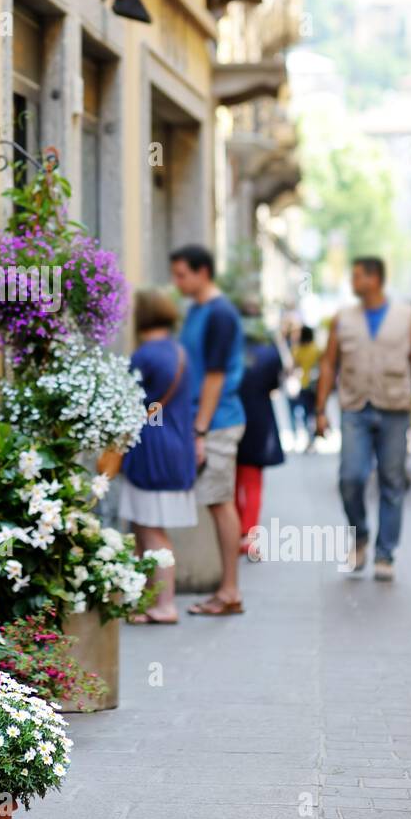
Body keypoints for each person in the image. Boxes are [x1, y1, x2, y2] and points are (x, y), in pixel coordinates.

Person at [315, 257, 411, 580]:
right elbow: (329, 363)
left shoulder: (407, 316)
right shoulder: (342, 318)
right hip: (355, 407)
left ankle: (385, 553)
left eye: (357, 276)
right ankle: (361, 535)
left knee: (392, 481)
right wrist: (319, 411)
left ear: (375, 279)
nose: (352, 282)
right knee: (350, 478)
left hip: (395, 407)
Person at [169, 244, 245, 616]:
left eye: (182, 274)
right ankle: (227, 589)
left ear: (203, 272)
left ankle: (230, 590)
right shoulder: (197, 310)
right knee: (217, 501)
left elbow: (215, 377)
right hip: (203, 419)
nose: (177, 281)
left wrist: (199, 430)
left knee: (220, 501)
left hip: (217, 420)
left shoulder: (219, 314)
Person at [119, 289, 197, 624]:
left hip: (151, 447)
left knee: (150, 531)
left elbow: (126, 401)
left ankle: (164, 604)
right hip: (177, 445)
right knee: (146, 528)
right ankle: (147, 601)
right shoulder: (180, 352)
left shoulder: (145, 356)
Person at [235, 310, 285, 558]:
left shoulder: (232, 349)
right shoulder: (269, 353)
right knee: (253, 483)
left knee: (231, 484)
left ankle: (235, 535)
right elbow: (276, 384)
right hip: (259, 419)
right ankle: (251, 538)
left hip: (230, 417)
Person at [289, 325, 321, 449]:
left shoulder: (297, 350)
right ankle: (311, 440)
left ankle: (307, 438)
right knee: (312, 413)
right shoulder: (316, 349)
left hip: (303, 385)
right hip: (315, 385)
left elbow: (292, 367)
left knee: (304, 413)